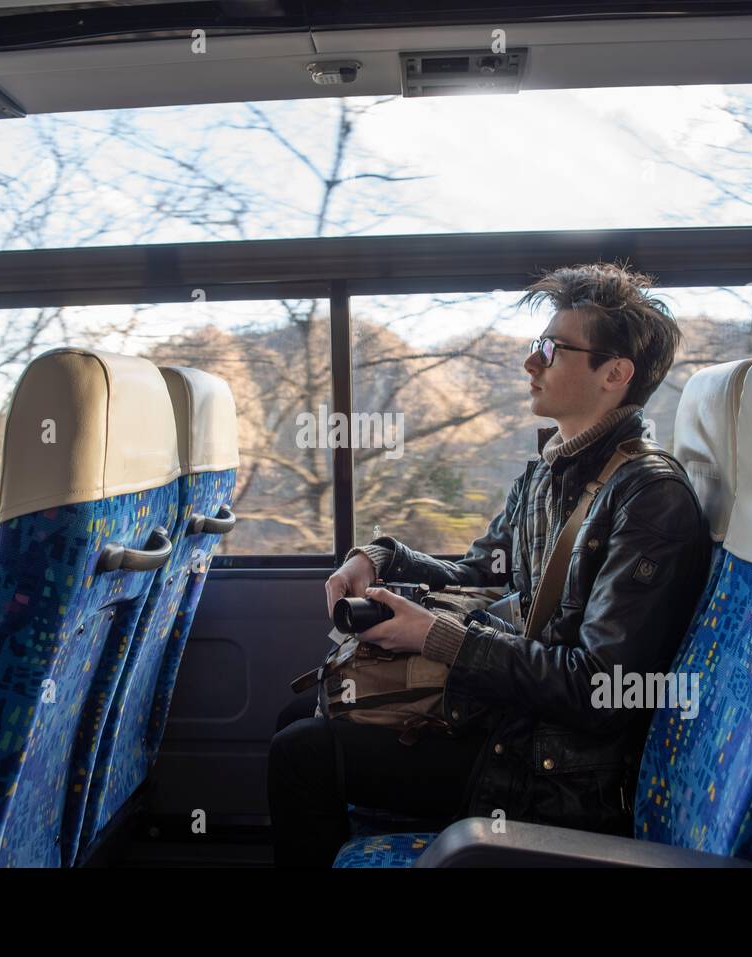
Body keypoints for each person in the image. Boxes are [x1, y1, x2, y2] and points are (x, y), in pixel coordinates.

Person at [267, 262, 711, 868]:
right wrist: (381, 554)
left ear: (615, 373)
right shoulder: (547, 475)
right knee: (305, 706)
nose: (532, 362)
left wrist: (441, 639)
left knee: (301, 756)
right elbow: (480, 574)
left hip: (558, 769)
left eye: (551, 350)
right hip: (515, 719)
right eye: (536, 346)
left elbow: (602, 690)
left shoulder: (649, 500)